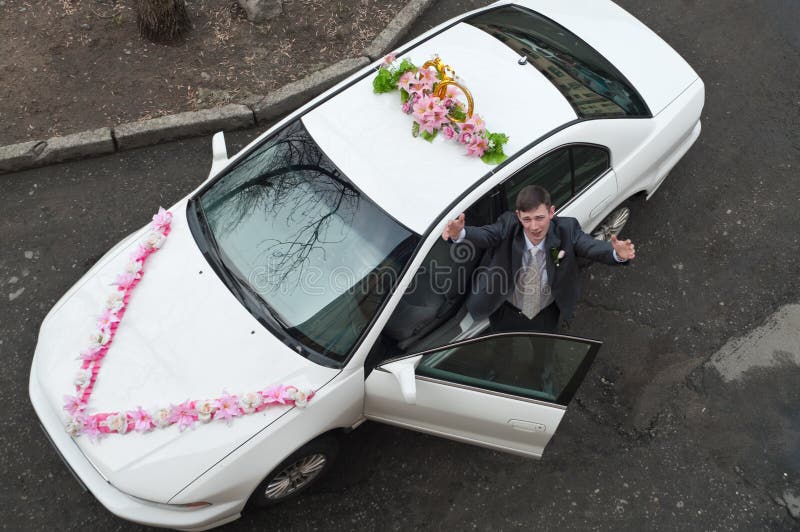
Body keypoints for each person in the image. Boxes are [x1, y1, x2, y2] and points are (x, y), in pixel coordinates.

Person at [441, 185, 635, 333]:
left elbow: (589, 246)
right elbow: (486, 235)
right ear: (518, 216)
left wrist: (615, 253)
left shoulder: (567, 229)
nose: (534, 227)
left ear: (551, 212)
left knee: (543, 351)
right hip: (506, 307)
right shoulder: (508, 225)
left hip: (545, 312)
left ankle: (544, 375)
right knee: (501, 344)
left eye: (540, 218)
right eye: (527, 219)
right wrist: (461, 233)